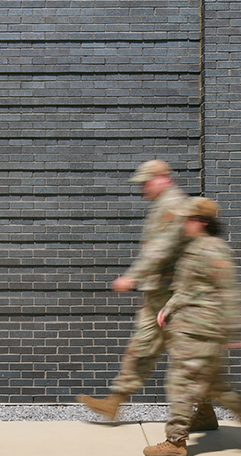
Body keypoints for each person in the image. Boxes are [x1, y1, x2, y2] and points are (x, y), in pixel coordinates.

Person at [74, 160, 215, 431]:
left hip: (174, 295)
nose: (141, 188)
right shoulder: (163, 204)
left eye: (145, 182)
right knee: (146, 346)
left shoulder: (174, 204)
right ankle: (116, 401)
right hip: (160, 292)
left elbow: (162, 247)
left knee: (182, 355)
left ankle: (209, 409)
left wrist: (133, 275)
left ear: (163, 178)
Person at [141, 197, 241, 456]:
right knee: (216, 388)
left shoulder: (213, 250)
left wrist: (232, 332)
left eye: (187, 219)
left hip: (202, 332)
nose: (183, 224)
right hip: (192, 330)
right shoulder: (194, 248)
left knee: (180, 382)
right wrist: (168, 308)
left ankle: (175, 442)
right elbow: (189, 288)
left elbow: (230, 292)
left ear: (201, 221)